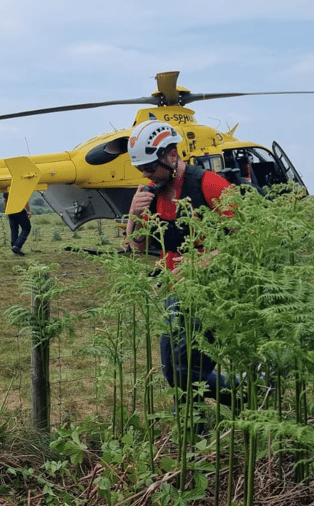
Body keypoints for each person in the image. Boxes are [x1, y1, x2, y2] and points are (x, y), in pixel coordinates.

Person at [124, 120, 237, 408]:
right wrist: (133, 215)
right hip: (176, 294)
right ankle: (242, 391)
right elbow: (136, 247)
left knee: (190, 372)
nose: (147, 175)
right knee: (173, 372)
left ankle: (193, 434)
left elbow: (246, 236)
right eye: (141, 170)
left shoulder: (208, 185)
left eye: (150, 168)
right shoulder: (151, 195)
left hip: (213, 294)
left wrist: (203, 263)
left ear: (171, 156)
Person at [1, 190, 32, 256]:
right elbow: (25, 200)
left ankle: (14, 248)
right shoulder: (18, 188)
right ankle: (17, 246)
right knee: (26, 228)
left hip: (10, 212)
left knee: (14, 230)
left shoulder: (7, 189)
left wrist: (7, 209)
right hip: (19, 210)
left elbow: (4, 200)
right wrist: (28, 211)